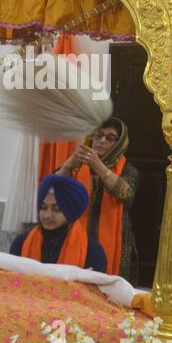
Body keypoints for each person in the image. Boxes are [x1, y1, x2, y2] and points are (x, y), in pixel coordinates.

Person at [56, 117, 139, 281]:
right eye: (98, 135)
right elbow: (52, 188)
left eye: (110, 138)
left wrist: (98, 166)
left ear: (120, 143)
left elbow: (126, 193)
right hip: (75, 236)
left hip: (116, 240)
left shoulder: (128, 169)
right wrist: (67, 166)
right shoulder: (78, 164)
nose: (101, 141)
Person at [10, 173, 108, 271]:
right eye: (43, 208)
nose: (47, 215)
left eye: (56, 209)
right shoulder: (21, 243)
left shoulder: (92, 251)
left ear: (71, 212)